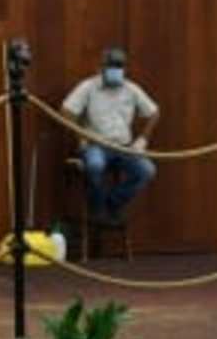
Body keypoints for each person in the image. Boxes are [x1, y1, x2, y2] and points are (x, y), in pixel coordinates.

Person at [61, 47, 159, 225]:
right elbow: (66, 110)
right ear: (101, 67)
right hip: (95, 145)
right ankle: (98, 211)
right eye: (112, 66)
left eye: (119, 66)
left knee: (147, 171)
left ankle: (112, 203)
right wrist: (80, 136)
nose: (116, 70)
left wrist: (142, 140)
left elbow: (153, 112)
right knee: (95, 165)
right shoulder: (88, 87)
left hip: (124, 147)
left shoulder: (131, 89)